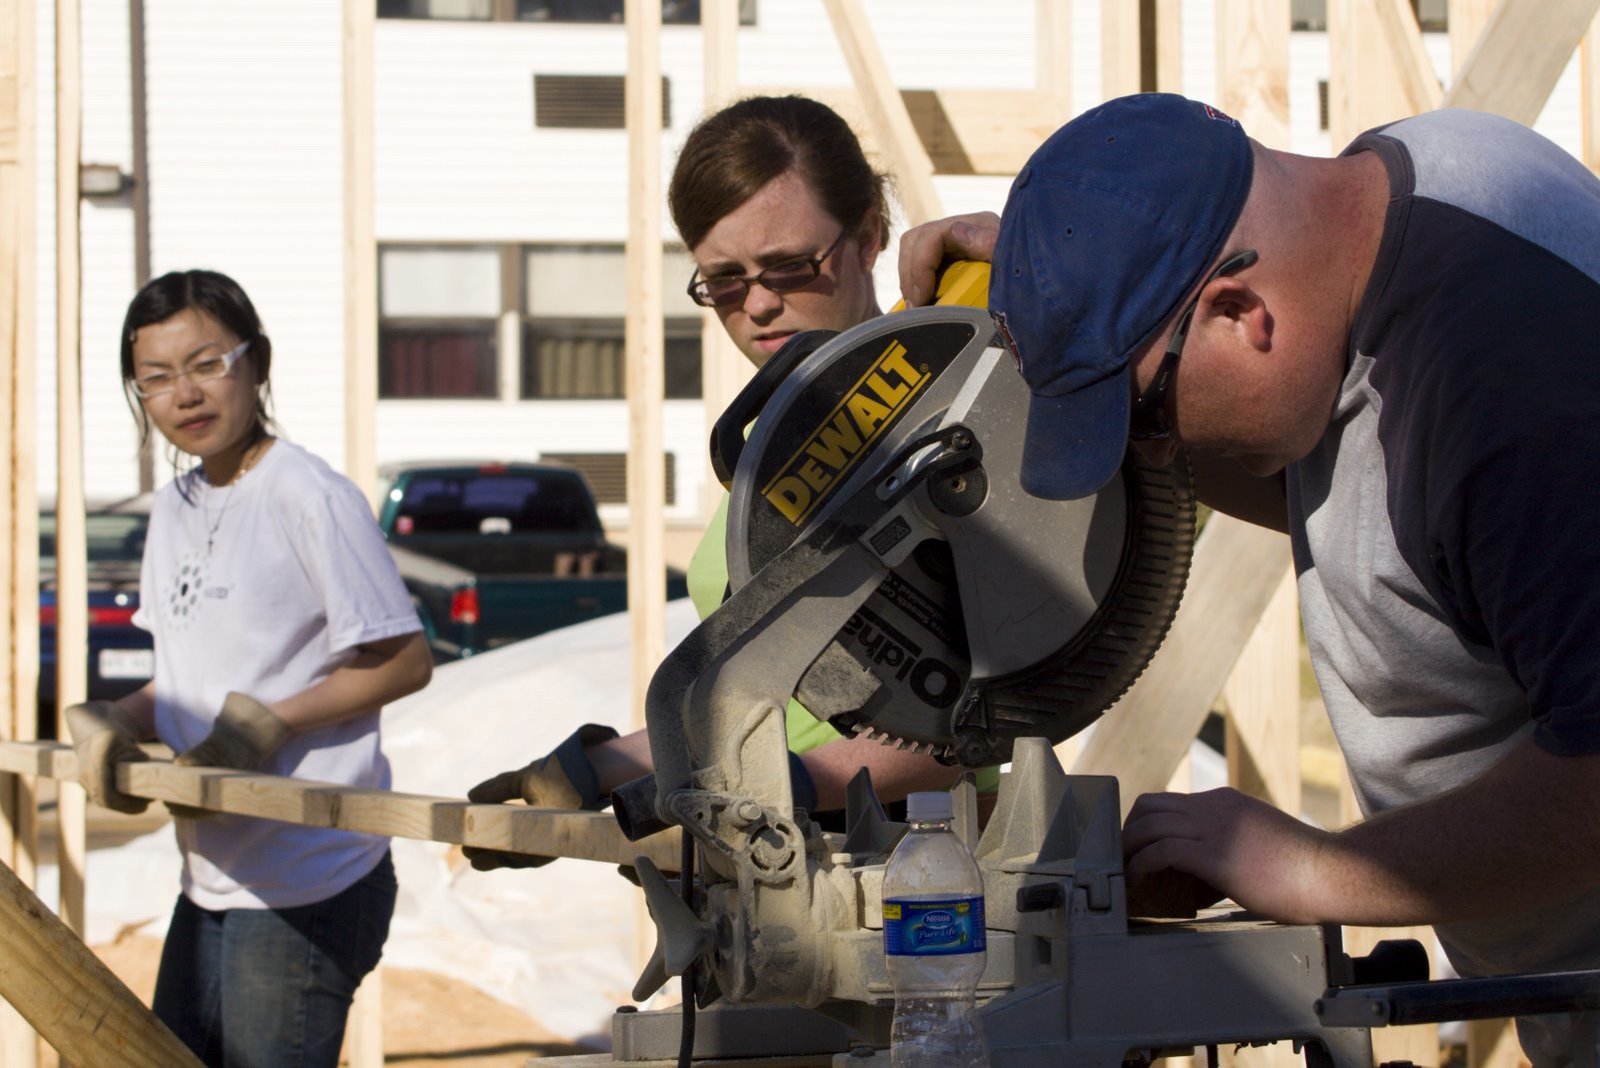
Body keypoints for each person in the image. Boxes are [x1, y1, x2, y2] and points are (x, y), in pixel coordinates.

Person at [899, 92, 1600, 1065]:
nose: (1152, 451)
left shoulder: (1502, 389)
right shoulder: (1401, 196)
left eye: (1144, 417)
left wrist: (1319, 868)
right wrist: (1053, 290)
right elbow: (1403, 523)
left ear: (1237, 312)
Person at [466, 95, 992, 866]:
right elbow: (757, 701)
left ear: (871, 237)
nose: (760, 303)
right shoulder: (774, 444)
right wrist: (591, 772)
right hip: (771, 854)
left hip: (910, 873)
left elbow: (966, 723)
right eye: (725, 281)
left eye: (790, 266)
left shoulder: (949, 422)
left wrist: (753, 786)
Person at [66, 269, 433, 1067]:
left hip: (310, 877)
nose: (185, 394)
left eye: (206, 364)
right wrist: (117, 720)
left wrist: (271, 723)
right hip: (212, 877)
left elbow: (405, 660)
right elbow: (194, 673)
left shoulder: (308, 494)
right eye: (156, 379)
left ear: (256, 363)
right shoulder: (174, 506)